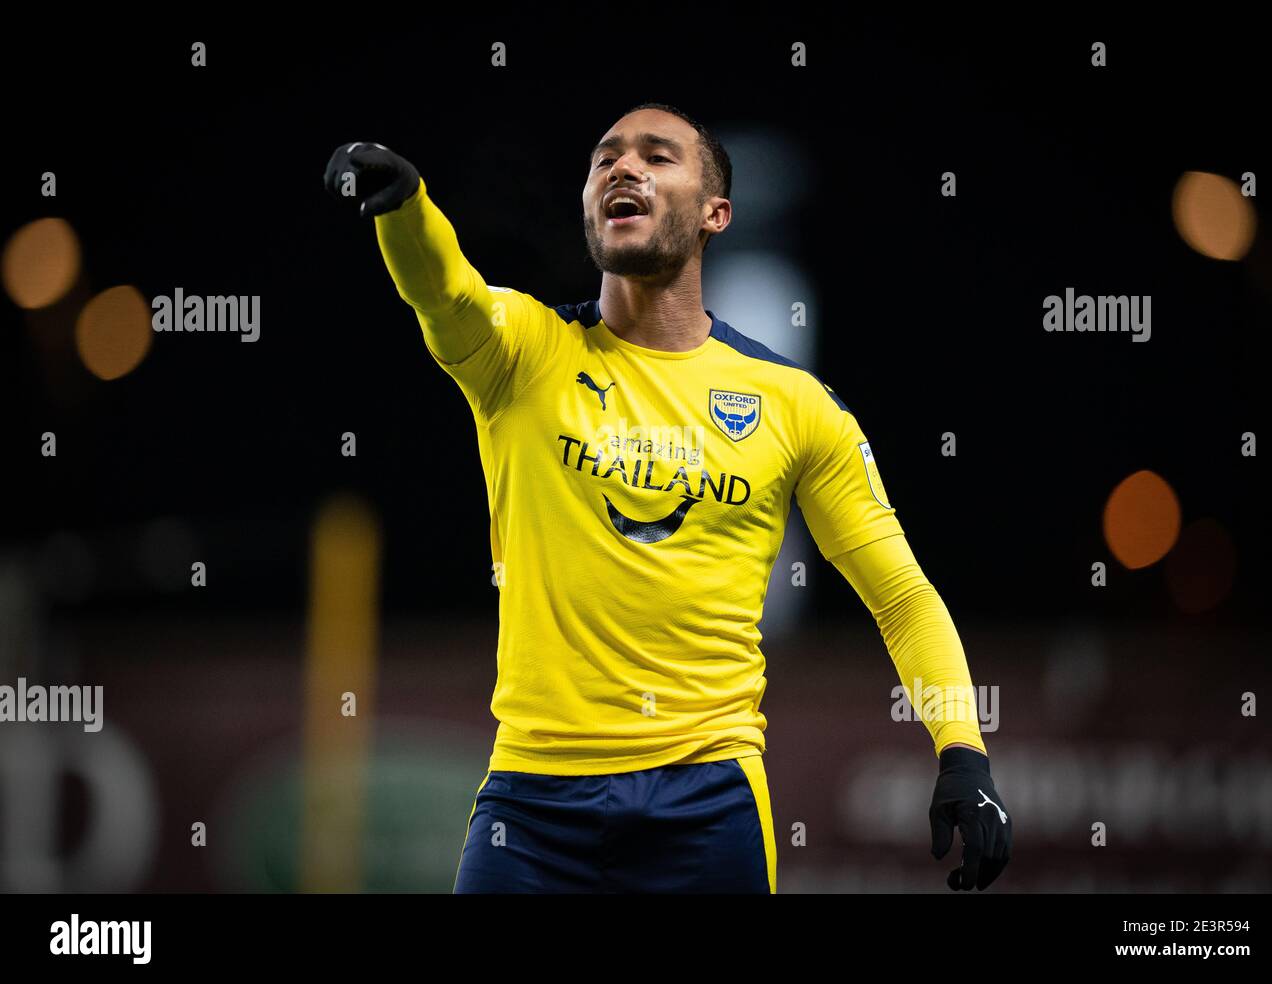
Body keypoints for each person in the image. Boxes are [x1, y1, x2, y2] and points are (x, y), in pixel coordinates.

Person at [324, 103, 1011, 893]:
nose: (623, 167)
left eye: (658, 156)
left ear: (716, 213)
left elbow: (901, 597)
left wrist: (962, 751)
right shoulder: (521, 353)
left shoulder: (795, 406)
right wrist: (405, 209)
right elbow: (443, 292)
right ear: (590, 206)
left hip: (708, 805)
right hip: (532, 804)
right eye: (605, 158)